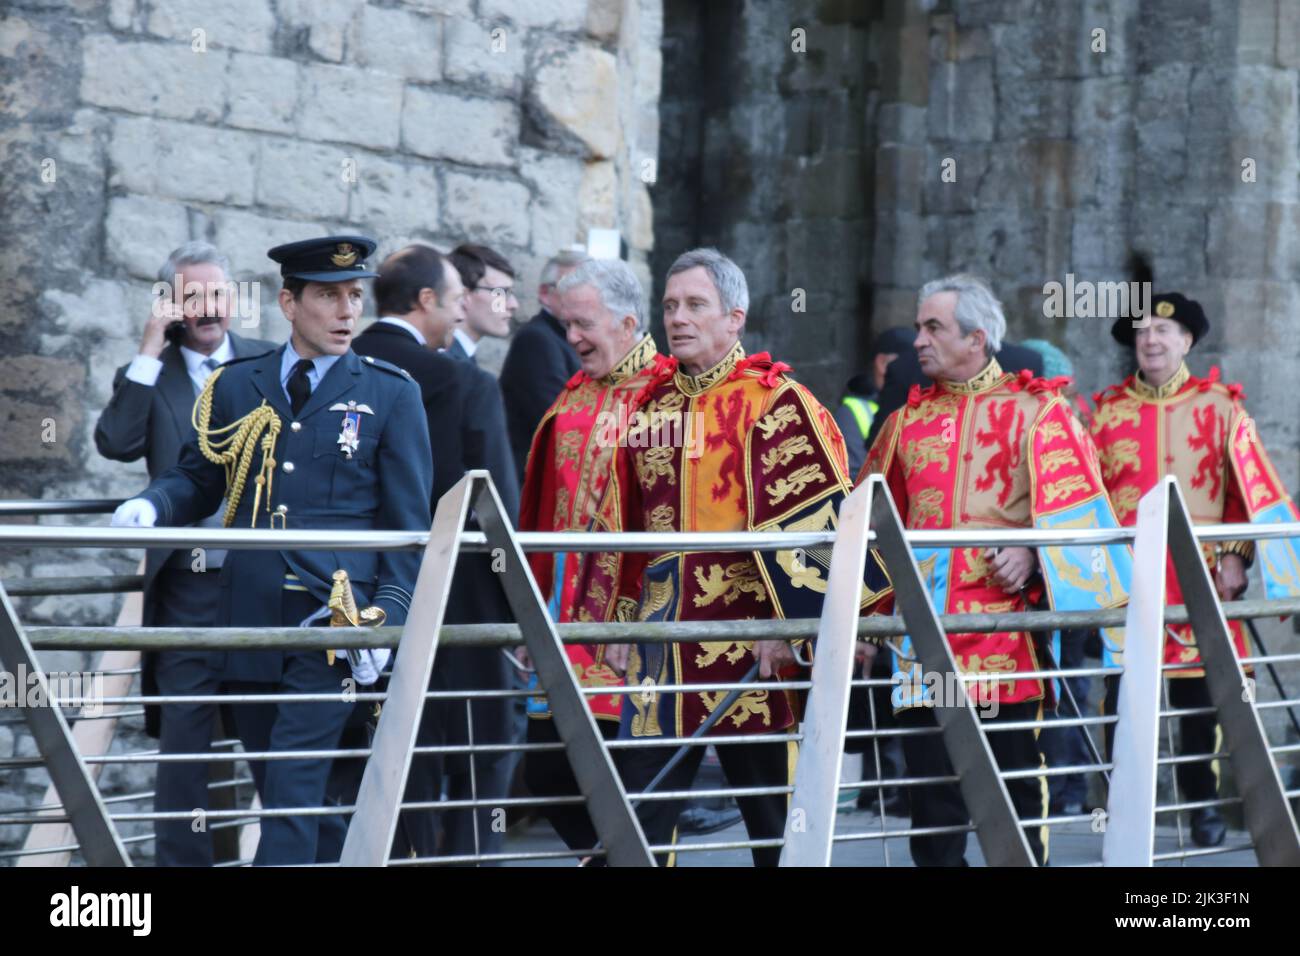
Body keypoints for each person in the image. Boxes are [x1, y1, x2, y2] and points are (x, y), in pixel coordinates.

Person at [111, 235, 433, 866]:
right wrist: (152, 505)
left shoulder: (391, 392)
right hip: (250, 620)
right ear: (288, 301)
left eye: (354, 296)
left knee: (290, 793)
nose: (346, 312)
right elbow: (200, 476)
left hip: (334, 626)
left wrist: (386, 622)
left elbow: (408, 527)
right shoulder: (238, 385)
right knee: (295, 796)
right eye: (328, 296)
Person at [578, 248, 887, 866]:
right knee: (639, 806)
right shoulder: (653, 409)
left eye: (696, 305)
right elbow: (625, 521)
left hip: (752, 640)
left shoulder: (778, 402)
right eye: (669, 306)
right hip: (662, 641)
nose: (678, 318)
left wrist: (788, 628)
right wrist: (616, 618)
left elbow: (815, 526)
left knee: (772, 818)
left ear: (734, 318)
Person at [860, 273, 1128, 866]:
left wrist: (1032, 551)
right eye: (919, 326)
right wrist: (861, 624)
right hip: (922, 647)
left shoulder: (1041, 411)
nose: (918, 341)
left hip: (1010, 647)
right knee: (933, 810)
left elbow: (1086, 517)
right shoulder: (903, 423)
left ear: (977, 338)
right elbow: (870, 528)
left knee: (1014, 806)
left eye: (933, 327)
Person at [1091, 293, 1300, 848]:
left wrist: (1236, 554)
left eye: (1164, 329)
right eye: (1143, 331)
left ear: (1187, 341)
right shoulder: (1105, 411)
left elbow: (1246, 490)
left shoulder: (1221, 407)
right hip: (1128, 579)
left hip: (1200, 576)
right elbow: (1087, 498)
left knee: (1199, 703)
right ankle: (1119, 809)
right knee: (1123, 700)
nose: (1152, 339)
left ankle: (1202, 807)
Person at [94, 240, 272, 867]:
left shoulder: (270, 363)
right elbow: (116, 443)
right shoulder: (150, 373)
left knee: (271, 738)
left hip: (264, 580)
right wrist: (148, 349)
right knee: (185, 747)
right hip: (186, 589)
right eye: (191, 297)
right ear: (169, 305)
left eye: (218, 294)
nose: (208, 308)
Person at [515, 258, 673, 854]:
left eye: (583, 324)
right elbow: (541, 515)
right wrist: (528, 612)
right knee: (552, 779)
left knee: (634, 796)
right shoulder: (572, 396)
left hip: (637, 632)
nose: (572, 338)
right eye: (566, 325)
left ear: (627, 321)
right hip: (563, 627)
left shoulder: (671, 394)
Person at [500, 247, 589, 483]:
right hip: (536, 483)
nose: (584, 298)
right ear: (545, 294)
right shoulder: (537, 340)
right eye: (572, 288)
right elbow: (558, 421)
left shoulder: (568, 338)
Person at [446, 243, 518, 365]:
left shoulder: (460, 358)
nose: (514, 304)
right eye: (501, 293)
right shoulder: (450, 365)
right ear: (464, 296)